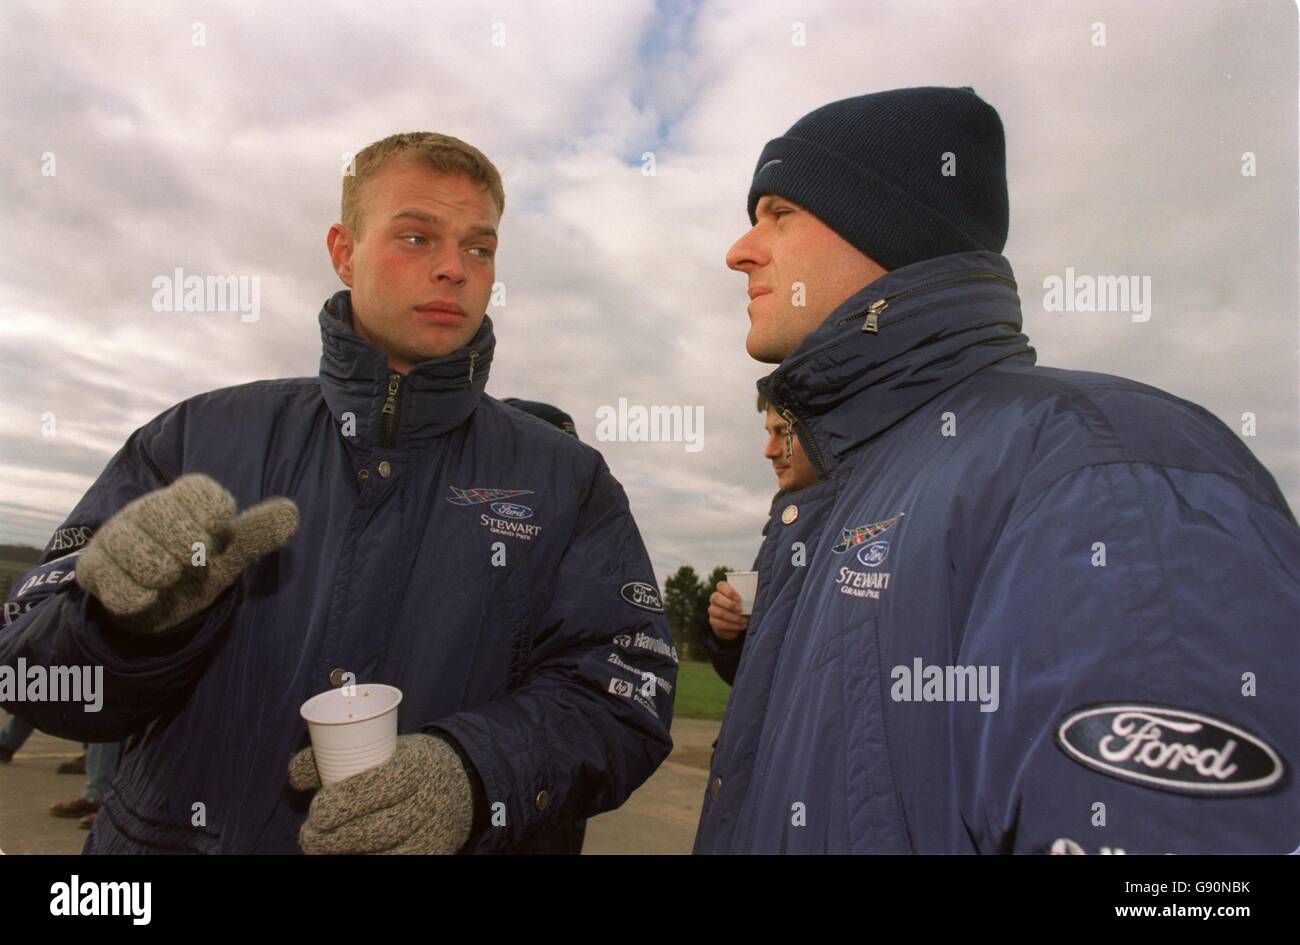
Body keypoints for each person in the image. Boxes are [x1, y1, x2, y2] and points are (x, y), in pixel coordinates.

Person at [0, 131, 676, 854]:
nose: (454, 268)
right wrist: (123, 626)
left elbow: (624, 691)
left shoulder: (570, 481)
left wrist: (477, 773)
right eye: (417, 237)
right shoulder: (195, 437)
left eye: (479, 249)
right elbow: (29, 671)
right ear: (343, 251)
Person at [693, 86, 1300, 854]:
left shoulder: (1099, 473)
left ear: (891, 227)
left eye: (779, 213)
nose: (739, 250)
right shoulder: (842, 492)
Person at [698, 395, 818, 684]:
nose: (769, 451)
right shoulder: (781, 528)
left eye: (783, 433)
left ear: (824, 430)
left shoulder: (861, 527)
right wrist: (728, 635)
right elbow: (750, 678)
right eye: (768, 433)